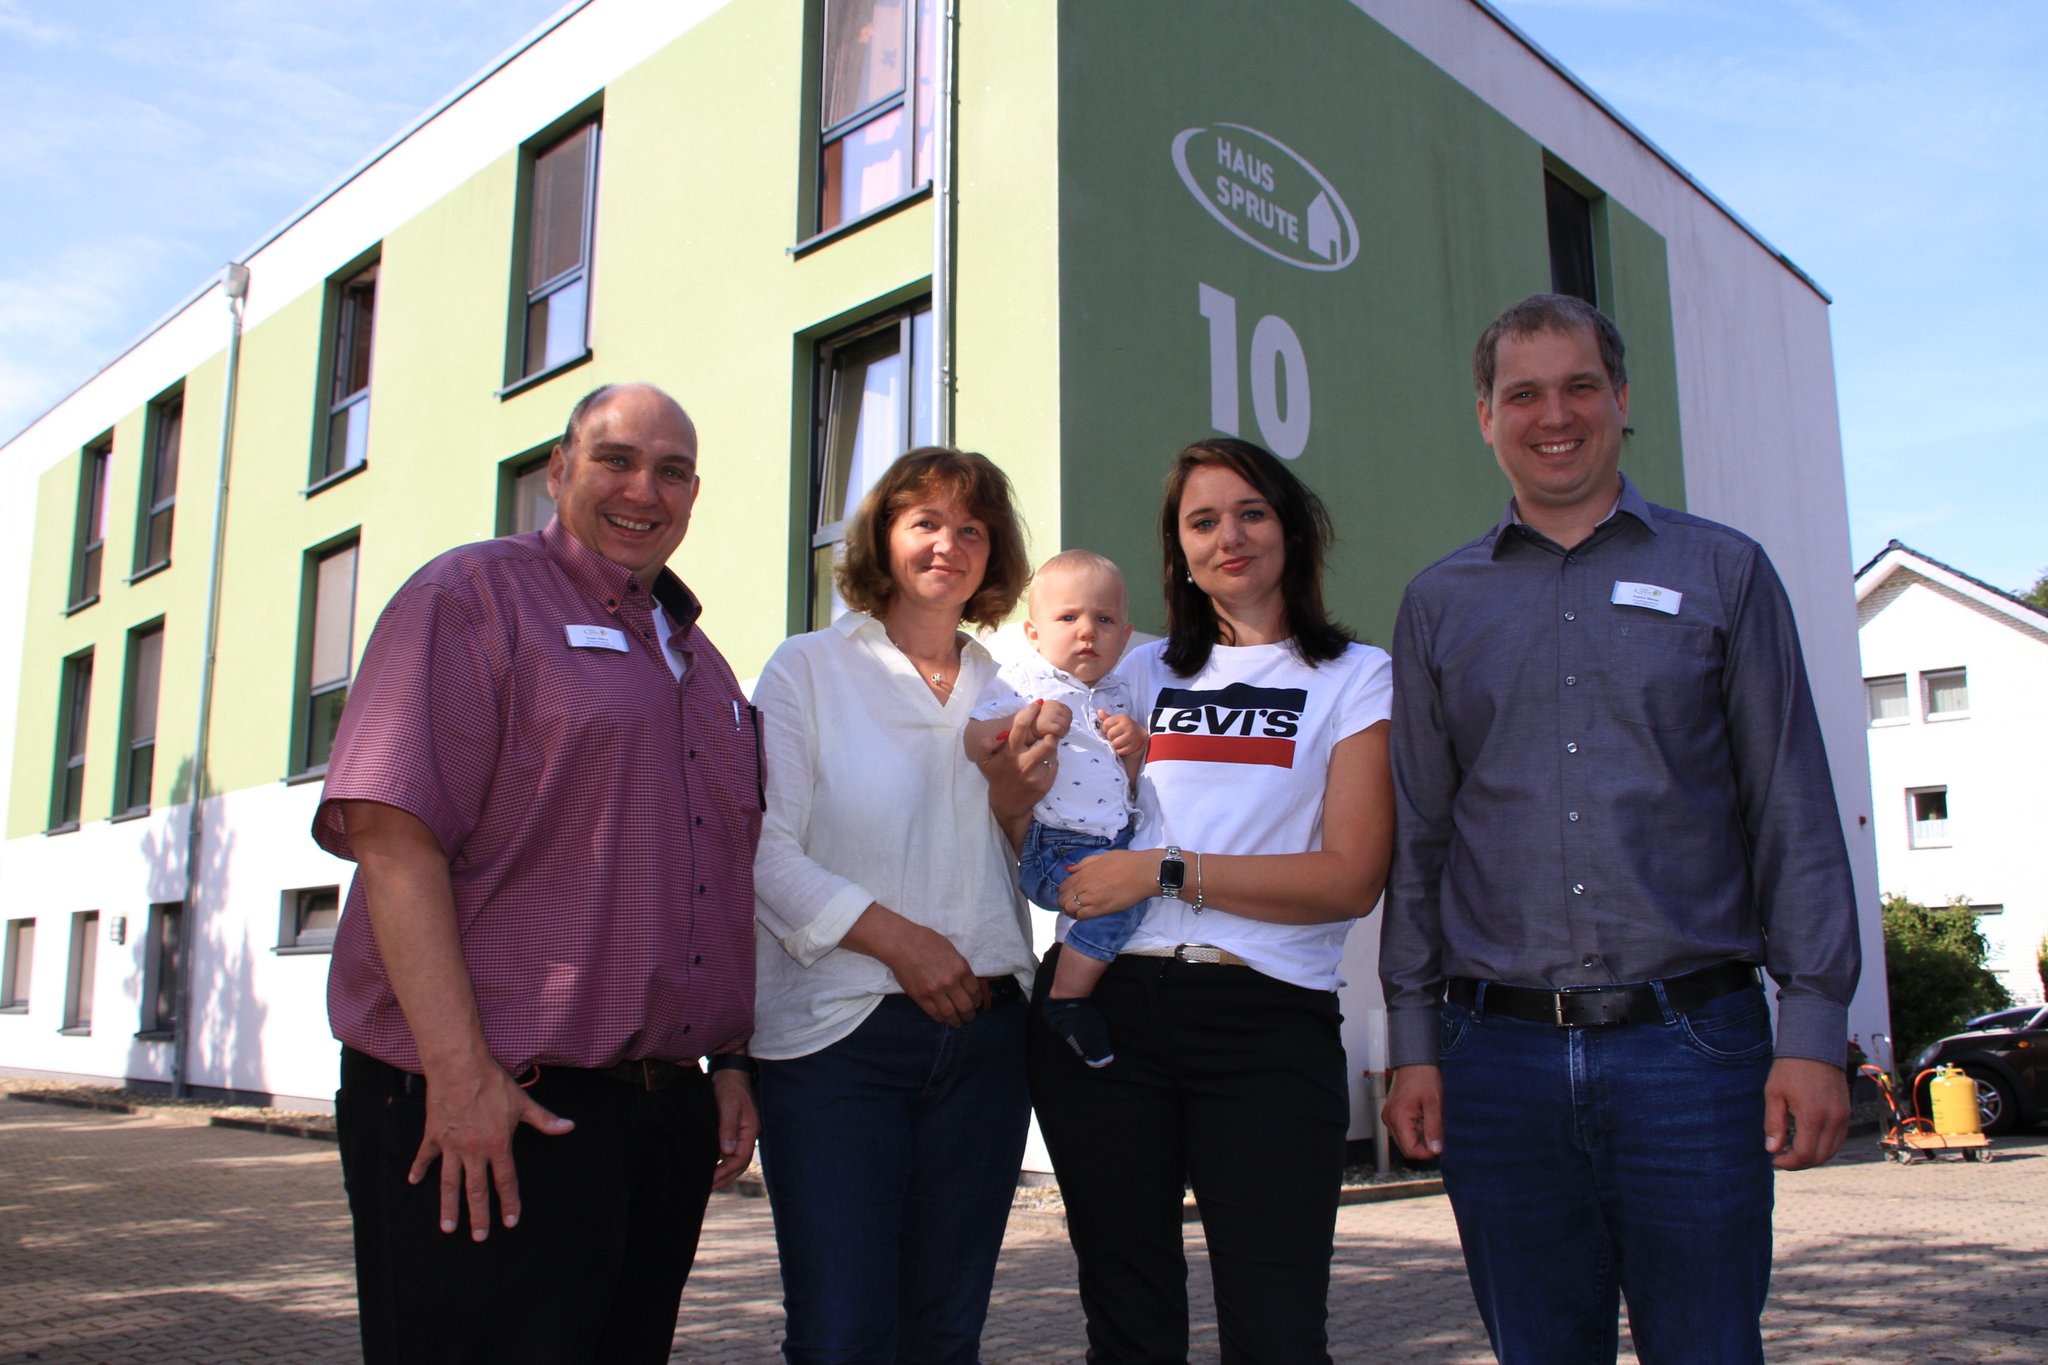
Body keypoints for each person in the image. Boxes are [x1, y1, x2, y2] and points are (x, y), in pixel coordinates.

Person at [1378, 293, 1863, 1364]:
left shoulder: (1723, 573)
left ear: (1620, 401)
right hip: (1492, 1061)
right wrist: (1411, 1043)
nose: (1553, 415)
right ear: (1485, 417)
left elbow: (1788, 805)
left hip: (1691, 1053)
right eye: (1523, 394)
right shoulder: (1438, 604)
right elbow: (1419, 837)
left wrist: (1813, 1026)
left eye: (1578, 386)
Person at [314, 383, 763, 1365]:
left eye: (673, 469)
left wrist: (727, 1063)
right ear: (556, 472)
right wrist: (458, 1071)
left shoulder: (704, 667)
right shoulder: (470, 599)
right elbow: (393, 837)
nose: (644, 487)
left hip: (655, 1114)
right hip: (493, 1099)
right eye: (616, 458)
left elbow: (724, 878)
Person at [1027, 437, 1395, 1365]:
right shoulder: (1136, 669)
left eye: (1251, 512)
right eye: (1202, 521)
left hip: (1267, 1023)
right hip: (1108, 1014)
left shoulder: (1355, 675)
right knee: (1129, 1323)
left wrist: (1165, 870)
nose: (1228, 536)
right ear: (1178, 551)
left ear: (1293, 527)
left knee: (1276, 1333)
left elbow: (1350, 875)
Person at [750, 447, 1045, 1364]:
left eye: (971, 527)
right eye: (925, 521)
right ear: (883, 535)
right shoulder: (806, 669)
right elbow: (760, 847)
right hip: (840, 1040)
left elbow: (1045, 870)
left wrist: (1018, 806)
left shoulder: (1016, 691)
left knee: (945, 1333)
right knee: (844, 1335)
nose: (947, 543)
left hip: (988, 1040)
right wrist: (896, 938)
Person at [965, 549, 1146, 1067]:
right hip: (1057, 843)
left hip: (1113, 838)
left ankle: (1078, 982)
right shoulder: (1023, 680)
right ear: (1033, 633)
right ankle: (1066, 1000)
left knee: (1140, 891)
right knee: (1125, 901)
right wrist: (1028, 723)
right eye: (1068, 618)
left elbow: (1131, 781)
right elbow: (976, 735)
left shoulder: (1120, 692)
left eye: (1104, 619)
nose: (1087, 631)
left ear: (1126, 636)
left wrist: (1135, 742)